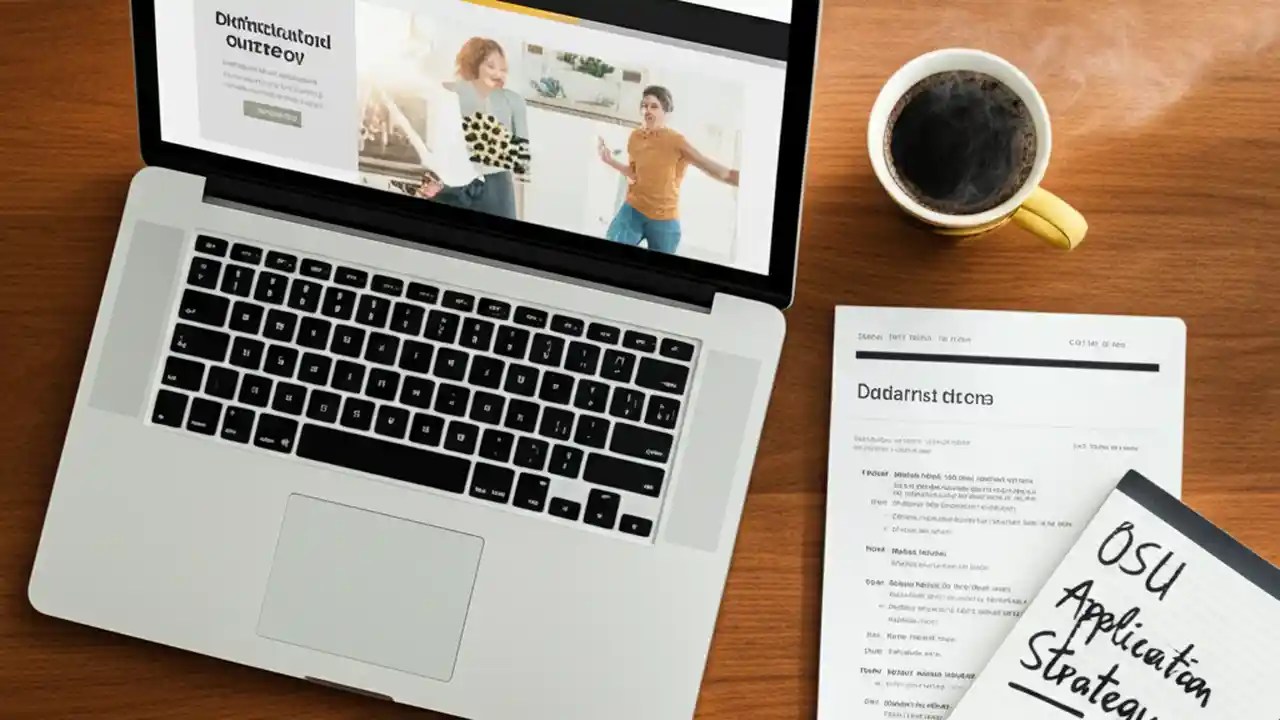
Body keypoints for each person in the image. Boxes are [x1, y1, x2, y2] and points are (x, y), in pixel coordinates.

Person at [598, 85, 740, 255]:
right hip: (633, 211)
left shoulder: (676, 141)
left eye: (654, 106)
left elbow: (706, 164)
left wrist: (736, 177)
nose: (647, 110)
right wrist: (610, 161)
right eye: (644, 106)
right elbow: (634, 174)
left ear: (666, 112)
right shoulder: (635, 137)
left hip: (664, 220)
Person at [434, 38, 531, 220]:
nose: (498, 74)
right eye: (491, 66)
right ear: (473, 65)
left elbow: (520, 163)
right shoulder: (449, 98)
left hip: (495, 189)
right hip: (461, 187)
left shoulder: (508, 103)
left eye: (503, 69)